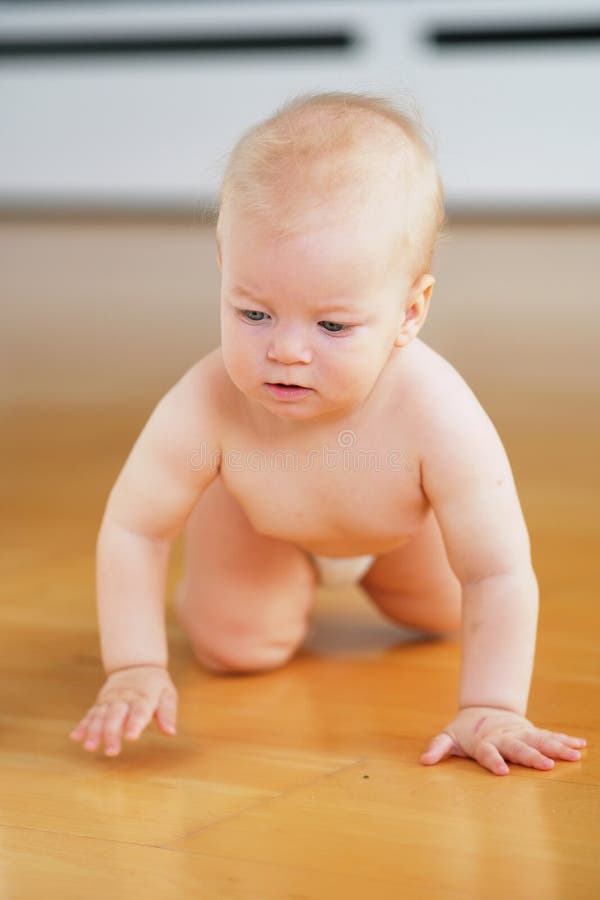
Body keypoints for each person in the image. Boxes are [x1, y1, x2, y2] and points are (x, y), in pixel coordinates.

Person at [69, 92, 586, 774]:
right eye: (254, 313)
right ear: (224, 270)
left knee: (449, 612)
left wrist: (492, 705)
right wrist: (134, 664)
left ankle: (382, 574)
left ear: (410, 311)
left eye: (332, 325)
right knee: (235, 647)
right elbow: (136, 528)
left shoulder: (436, 411)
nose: (286, 351)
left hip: (399, 531)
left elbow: (497, 569)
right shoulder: (207, 403)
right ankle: (262, 574)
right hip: (259, 522)